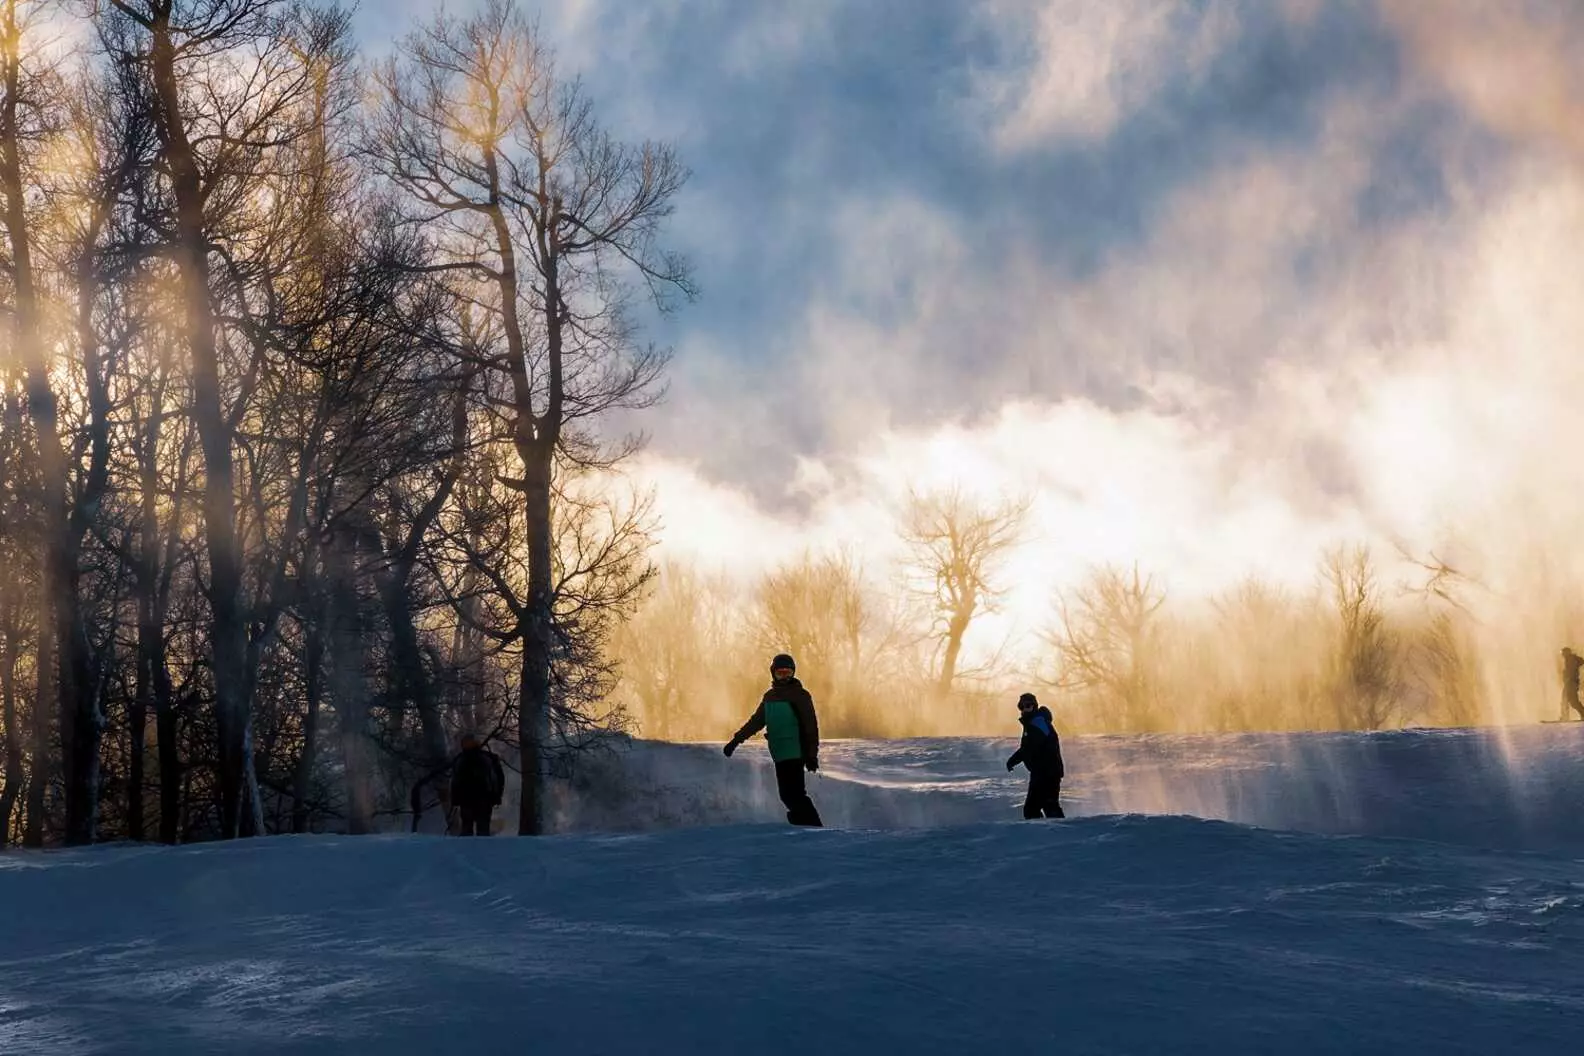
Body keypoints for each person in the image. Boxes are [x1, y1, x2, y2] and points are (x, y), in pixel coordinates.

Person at [723, 653, 823, 827]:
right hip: (779, 752)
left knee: (796, 794)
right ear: (773, 673)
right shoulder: (769, 697)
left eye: (787, 673)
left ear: (793, 673)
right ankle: (802, 823)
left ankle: (813, 826)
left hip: (795, 750)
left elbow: (810, 726)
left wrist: (811, 755)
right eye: (780, 673)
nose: (784, 677)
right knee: (786, 795)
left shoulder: (800, 695)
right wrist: (736, 740)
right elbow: (756, 721)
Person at [1006, 692, 1065, 819]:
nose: (1024, 709)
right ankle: (1043, 835)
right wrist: (1013, 760)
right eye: (1021, 707)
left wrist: (1013, 760)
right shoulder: (1032, 723)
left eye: (1028, 706)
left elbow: (1031, 747)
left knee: (1044, 807)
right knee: (1034, 809)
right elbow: (1028, 748)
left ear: (1034, 706)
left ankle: (1060, 834)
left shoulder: (1038, 723)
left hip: (1048, 773)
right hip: (1040, 772)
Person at [450, 733, 505, 836]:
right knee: (481, 829)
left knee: (469, 829)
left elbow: (455, 781)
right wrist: (497, 796)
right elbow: (498, 779)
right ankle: (481, 850)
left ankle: (468, 850)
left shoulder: (460, 760)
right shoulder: (489, 758)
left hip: (471, 799)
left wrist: (455, 799)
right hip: (481, 799)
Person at [1560, 647, 1584, 722]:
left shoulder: (1571, 659)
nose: (1562, 655)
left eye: (1563, 653)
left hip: (1571, 683)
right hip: (1570, 683)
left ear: (1567, 652)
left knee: (1572, 700)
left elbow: (1571, 672)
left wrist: (1568, 678)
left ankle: (1565, 716)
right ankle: (1564, 716)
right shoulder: (1570, 659)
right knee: (1566, 699)